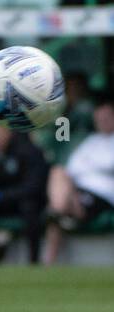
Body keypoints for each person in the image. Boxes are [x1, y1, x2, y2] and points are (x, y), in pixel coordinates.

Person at [44, 98, 114, 264]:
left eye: (106, 118)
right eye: (99, 119)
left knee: (55, 210)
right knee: (57, 171)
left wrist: (91, 167)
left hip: (102, 195)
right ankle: (48, 263)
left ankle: (59, 212)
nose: (102, 122)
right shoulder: (91, 142)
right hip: (78, 191)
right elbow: (71, 168)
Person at [0, 118, 47, 263]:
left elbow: (33, 188)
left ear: (7, 131)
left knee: (29, 208)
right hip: (4, 201)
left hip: (26, 200)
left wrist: (1, 196)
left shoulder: (28, 150)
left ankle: (34, 260)